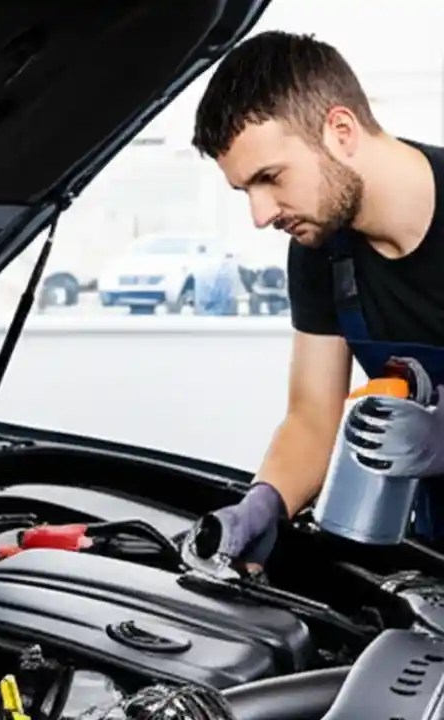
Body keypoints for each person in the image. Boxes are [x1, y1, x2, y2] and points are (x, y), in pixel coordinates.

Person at [186, 30, 444, 569]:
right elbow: (312, 419)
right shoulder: (322, 250)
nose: (261, 215)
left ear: (340, 131)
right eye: (246, 191)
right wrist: (265, 502)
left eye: (270, 178)